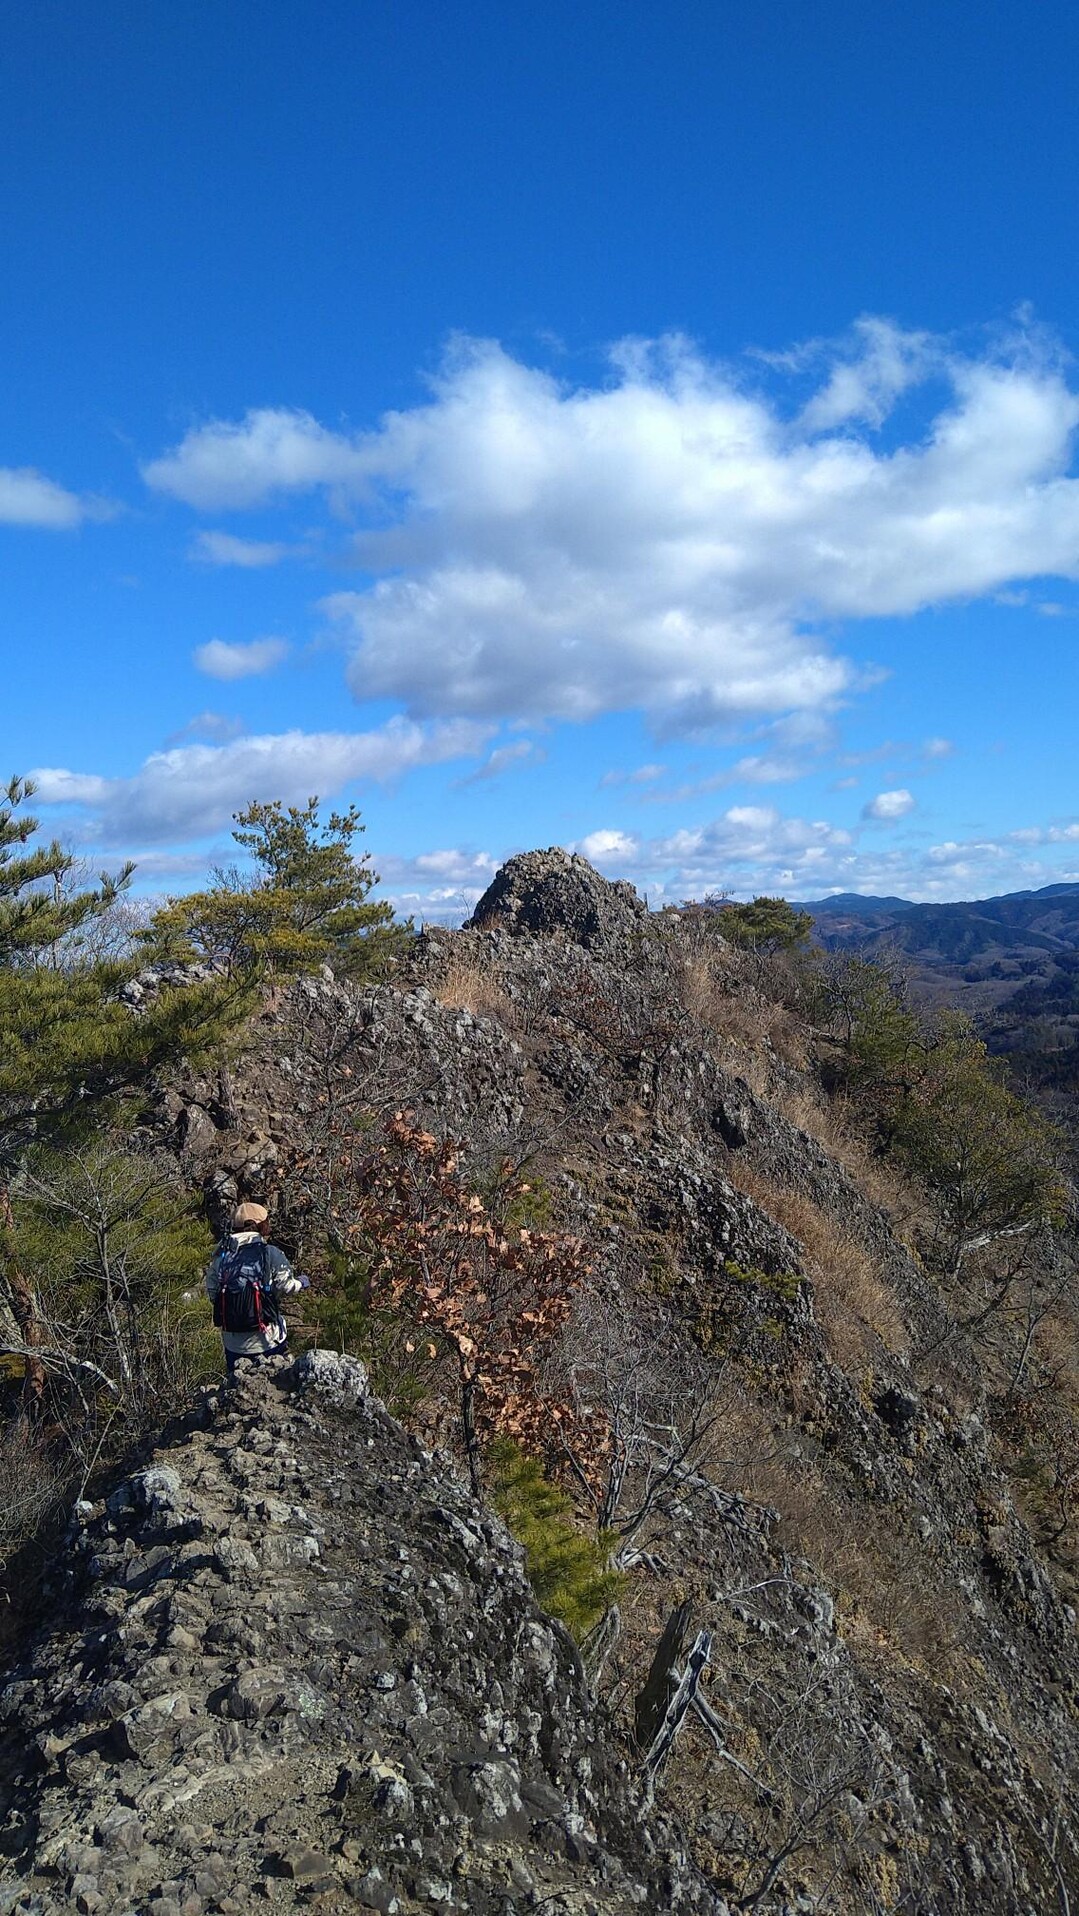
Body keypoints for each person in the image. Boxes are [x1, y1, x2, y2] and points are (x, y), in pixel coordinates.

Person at [205, 1200, 304, 1382]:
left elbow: (212, 1291)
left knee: (238, 1387)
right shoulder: (270, 1253)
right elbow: (286, 1286)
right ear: (261, 1225)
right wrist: (302, 1283)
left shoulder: (221, 1255)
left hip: (233, 1343)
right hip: (268, 1339)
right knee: (275, 1384)